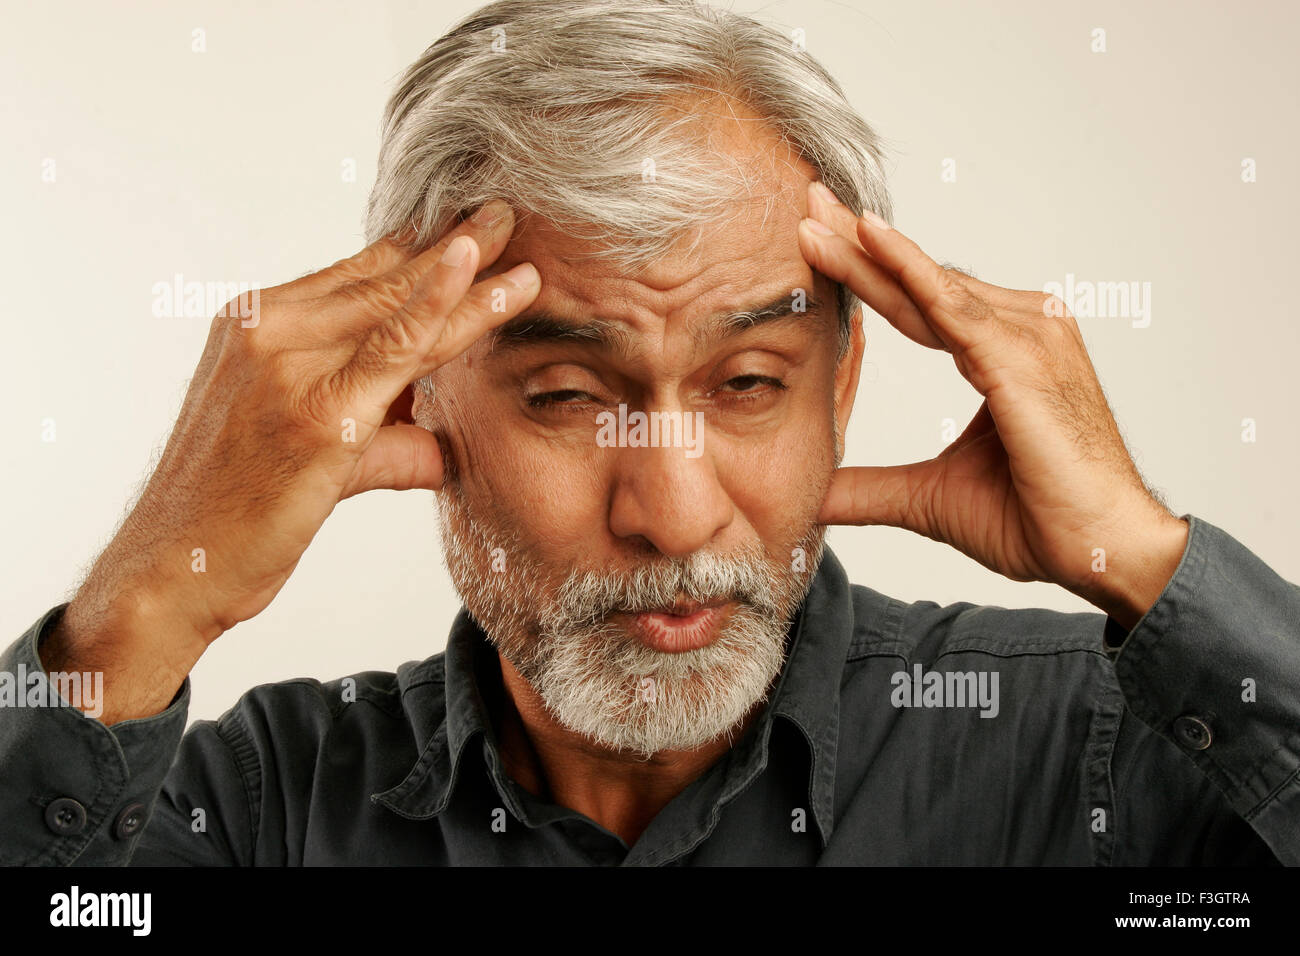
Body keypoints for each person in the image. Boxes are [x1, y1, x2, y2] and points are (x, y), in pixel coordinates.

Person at [2, 0, 1295, 866]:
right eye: (566, 397)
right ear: (416, 397)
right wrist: (140, 605)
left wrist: (1146, 558)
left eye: (748, 382)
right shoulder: (261, 808)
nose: (673, 515)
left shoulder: (1099, 754)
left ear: (841, 393)